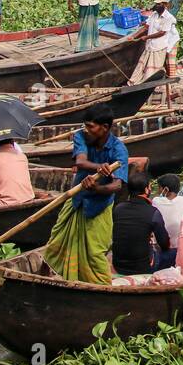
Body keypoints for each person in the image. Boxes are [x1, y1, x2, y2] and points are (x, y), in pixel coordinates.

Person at [44, 104, 132, 284]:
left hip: (99, 206)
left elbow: (116, 186)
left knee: (95, 252)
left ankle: (102, 288)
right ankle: (62, 280)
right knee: (56, 243)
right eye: (86, 125)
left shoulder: (118, 150)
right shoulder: (81, 136)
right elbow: (81, 161)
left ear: (105, 127)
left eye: (91, 126)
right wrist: (99, 167)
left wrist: (96, 188)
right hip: (77, 200)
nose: (87, 130)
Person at [112, 170, 175, 275]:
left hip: (118, 265)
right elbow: (164, 244)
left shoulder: (118, 208)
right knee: (174, 253)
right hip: (143, 267)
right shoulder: (153, 212)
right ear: (146, 189)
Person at [129, 0, 179, 84]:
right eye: (156, 4)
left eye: (159, 4)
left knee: (168, 63)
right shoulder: (154, 15)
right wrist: (133, 36)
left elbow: (162, 32)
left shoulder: (169, 18)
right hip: (152, 44)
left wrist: (146, 37)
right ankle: (134, 81)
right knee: (143, 63)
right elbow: (146, 27)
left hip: (165, 43)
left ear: (165, 5)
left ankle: (168, 81)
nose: (156, 6)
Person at [151, 173, 183, 247]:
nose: (158, 191)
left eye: (159, 188)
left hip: (163, 245)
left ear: (166, 189)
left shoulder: (156, 201)